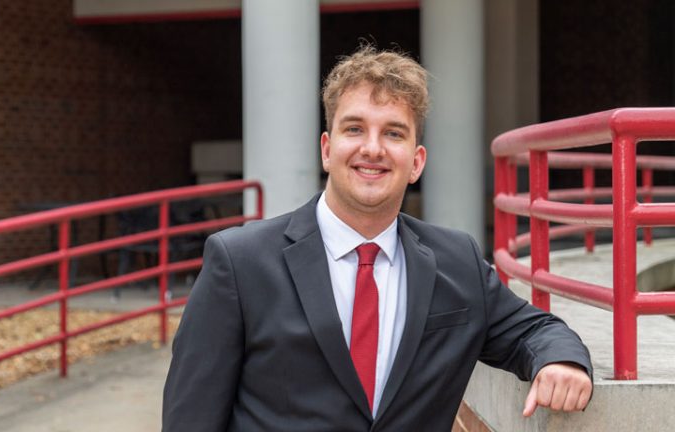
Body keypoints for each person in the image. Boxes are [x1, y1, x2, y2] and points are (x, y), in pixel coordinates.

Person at [162, 46, 592, 431]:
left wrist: (562, 362)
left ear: (417, 161)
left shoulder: (456, 259)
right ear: (327, 150)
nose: (373, 148)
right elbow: (192, 417)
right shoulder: (240, 261)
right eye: (354, 129)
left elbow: (533, 330)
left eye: (393, 133)